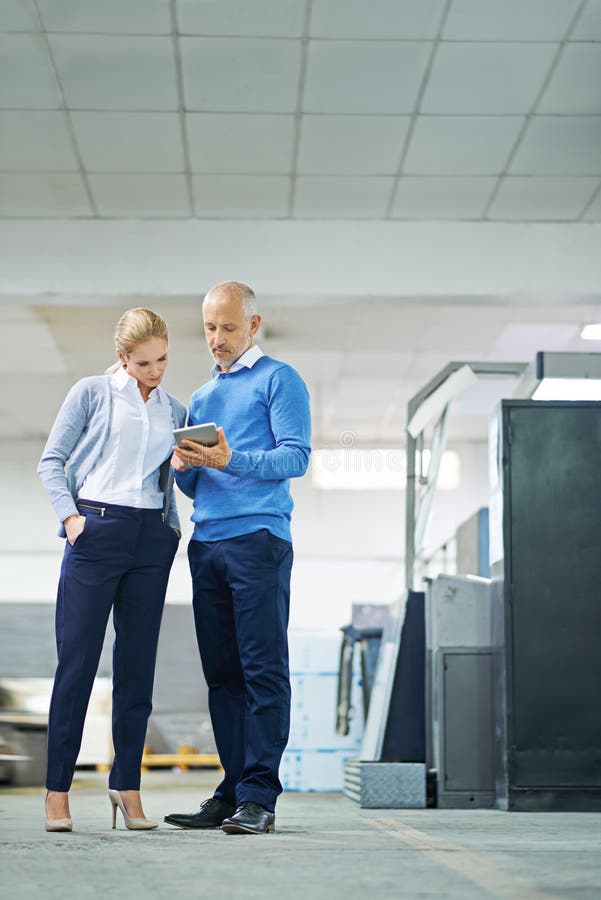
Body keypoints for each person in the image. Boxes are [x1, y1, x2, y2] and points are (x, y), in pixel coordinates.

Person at [164, 281, 311, 835]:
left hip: (259, 541)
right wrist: (187, 470)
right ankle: (230, 792)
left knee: (262, 671)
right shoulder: (201, 398)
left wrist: (229, 458)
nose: (217, 339)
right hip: (208, 544)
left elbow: (295, 457)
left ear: (253, 324)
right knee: (222, 676)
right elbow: (203, 488)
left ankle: (259, 797)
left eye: (228, 327)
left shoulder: (280, 379)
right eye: (209, 328)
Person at [38, 308, 186, 832]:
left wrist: (188, 471)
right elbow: (51, 460)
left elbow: (178, 482)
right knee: (76, 665)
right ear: (123, 358)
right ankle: (57, 792)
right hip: (96, 528)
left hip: (151, 536)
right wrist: (71, 519)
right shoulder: (92, 393)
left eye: (163, 358)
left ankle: (127, 786)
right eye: (144, 362)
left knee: (137, 669)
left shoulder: (175, 408)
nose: (156, 370)